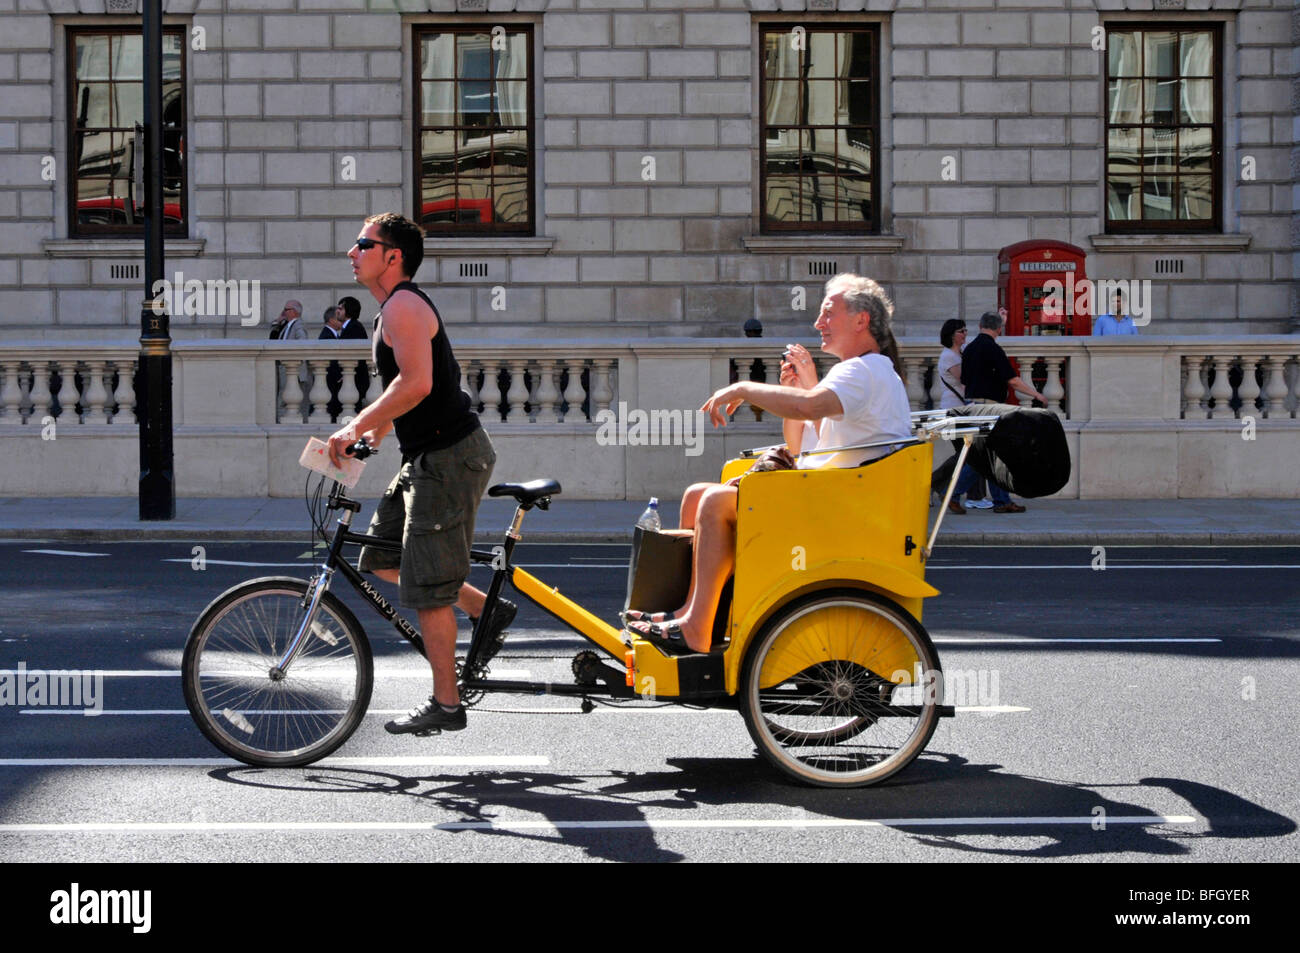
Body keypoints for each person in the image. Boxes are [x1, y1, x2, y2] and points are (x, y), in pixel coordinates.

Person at [625, 274, 912, 654]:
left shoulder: (863, 370)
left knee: (714, 503)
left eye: (828, 312)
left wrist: (744, 388)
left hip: (839, 509)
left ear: (861, 320)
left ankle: (697, 626)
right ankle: (696, 612)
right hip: (835, 498)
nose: (818, 323)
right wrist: (799, 389)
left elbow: (809, 409)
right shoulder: (866, 372)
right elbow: (802, 445)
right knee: (698, 496)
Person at [326, 212, 514, 736]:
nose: (352, 252)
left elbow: (417, 385)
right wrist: (369, 441)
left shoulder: (405, 305)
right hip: (427, 456)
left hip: (450, 456)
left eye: (363, 243)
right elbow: (403, 399)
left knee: (429, 590)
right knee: (383, 557)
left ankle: (446, 704)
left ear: (393, 257)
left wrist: (355, 424)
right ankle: (487, 610)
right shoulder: (391, 311)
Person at [952, 309, 1047, 513]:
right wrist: (1036, 395)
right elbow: (1013, 381)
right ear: (999, 328)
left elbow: (964, 380)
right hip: (988, 407)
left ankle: (1001, 501)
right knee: (987, 457)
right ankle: (951, 494)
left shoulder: (968, 349)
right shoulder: (993, 350)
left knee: (992, 455)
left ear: (980, 326)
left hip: (972, 406)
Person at [931, 317, 989, 513]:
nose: (965, 334)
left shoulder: (959, 353)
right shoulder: (949, 356)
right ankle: (936, 485)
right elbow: (965, 380)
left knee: (967, 454)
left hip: (964, 409)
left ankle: (968, 494)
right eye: (961, 331)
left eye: (965, 330)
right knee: (968, 454)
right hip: (956, 410)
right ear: (951, 335)